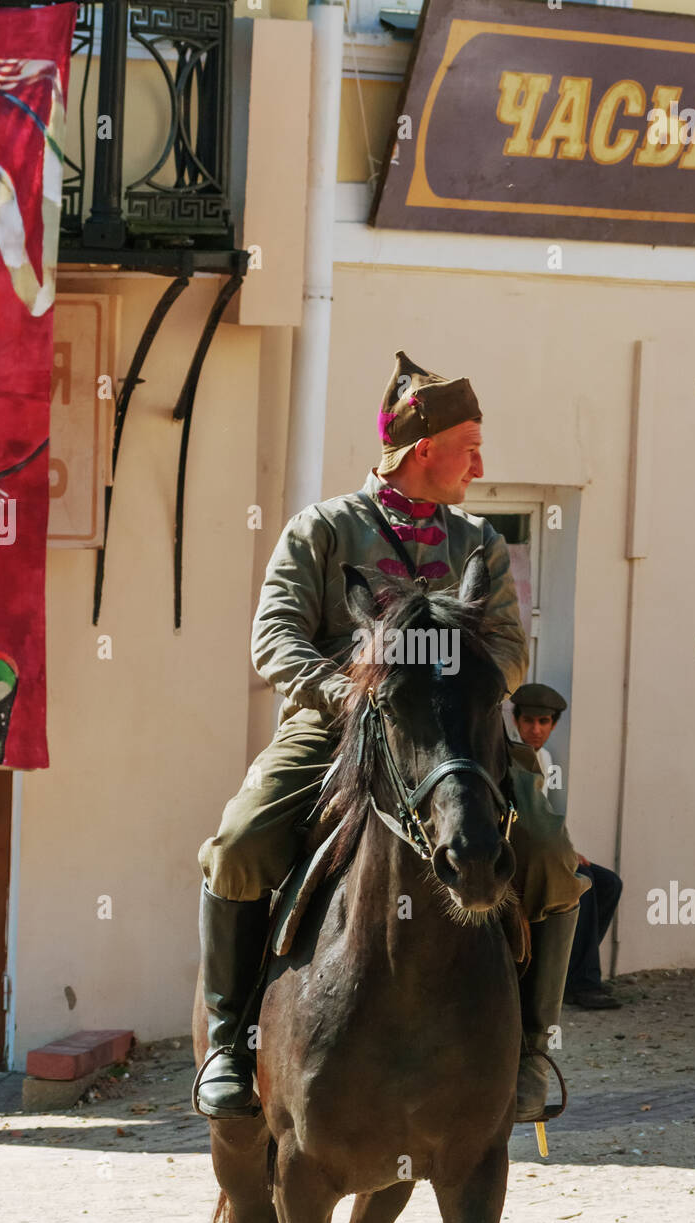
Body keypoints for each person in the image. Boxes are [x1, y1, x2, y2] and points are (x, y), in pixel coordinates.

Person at [193, 349, 589, 1123]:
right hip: (334, 730)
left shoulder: (478, 542)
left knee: (546, 845)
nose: (480, 460)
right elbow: (276, 638)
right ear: (421, 451)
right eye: (469, 444)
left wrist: (453, 685)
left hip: (453, 737)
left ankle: (534, 1046)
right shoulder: (323, 529)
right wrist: (353, 692)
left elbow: (508, 649)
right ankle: (228, 1042)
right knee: (239, 841)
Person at [511, 683, 623, 1010]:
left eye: (544, 722)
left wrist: (568, 850)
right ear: (516, 720)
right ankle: (585, 985)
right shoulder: (509, 754)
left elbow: (545, 815)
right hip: (517, 854)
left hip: (544, 850)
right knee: (580, 887)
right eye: (529, 721)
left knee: (607, 884)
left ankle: (569, 974)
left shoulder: (544, 757)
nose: (536, 729)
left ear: (553, 724)